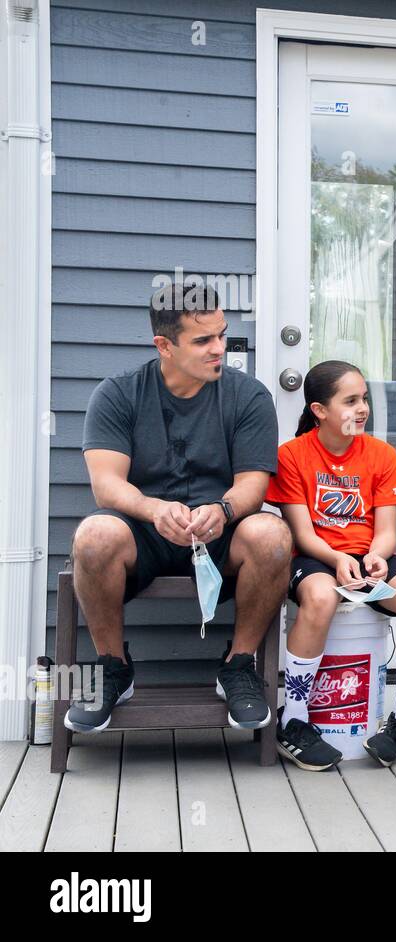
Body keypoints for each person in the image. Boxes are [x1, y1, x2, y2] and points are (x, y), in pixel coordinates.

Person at [67, 282, 291, 735]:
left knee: (272, 533)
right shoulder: (118, 393)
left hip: (220, 535)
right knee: (94, 535)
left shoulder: (249, 396)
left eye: (222, 335)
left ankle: (239, 665)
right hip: (144, 535)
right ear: (164, 346)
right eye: (204, 340)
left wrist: (223, 510)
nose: (219, 349)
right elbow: (106, 484)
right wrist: (152, 509)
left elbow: (254, 484)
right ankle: (113, 668)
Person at [266, 360, 396, 771]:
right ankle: (293, 721)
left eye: (364, 399)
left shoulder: (382, 454)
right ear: (320, 410)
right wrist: (336, 558)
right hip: (316, 557)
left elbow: (386, 532)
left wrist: (377, 556)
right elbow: (303, 535)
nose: (362, 408)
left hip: (368, 557)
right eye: (350, 401)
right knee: (321, 598)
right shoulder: (291, 456)